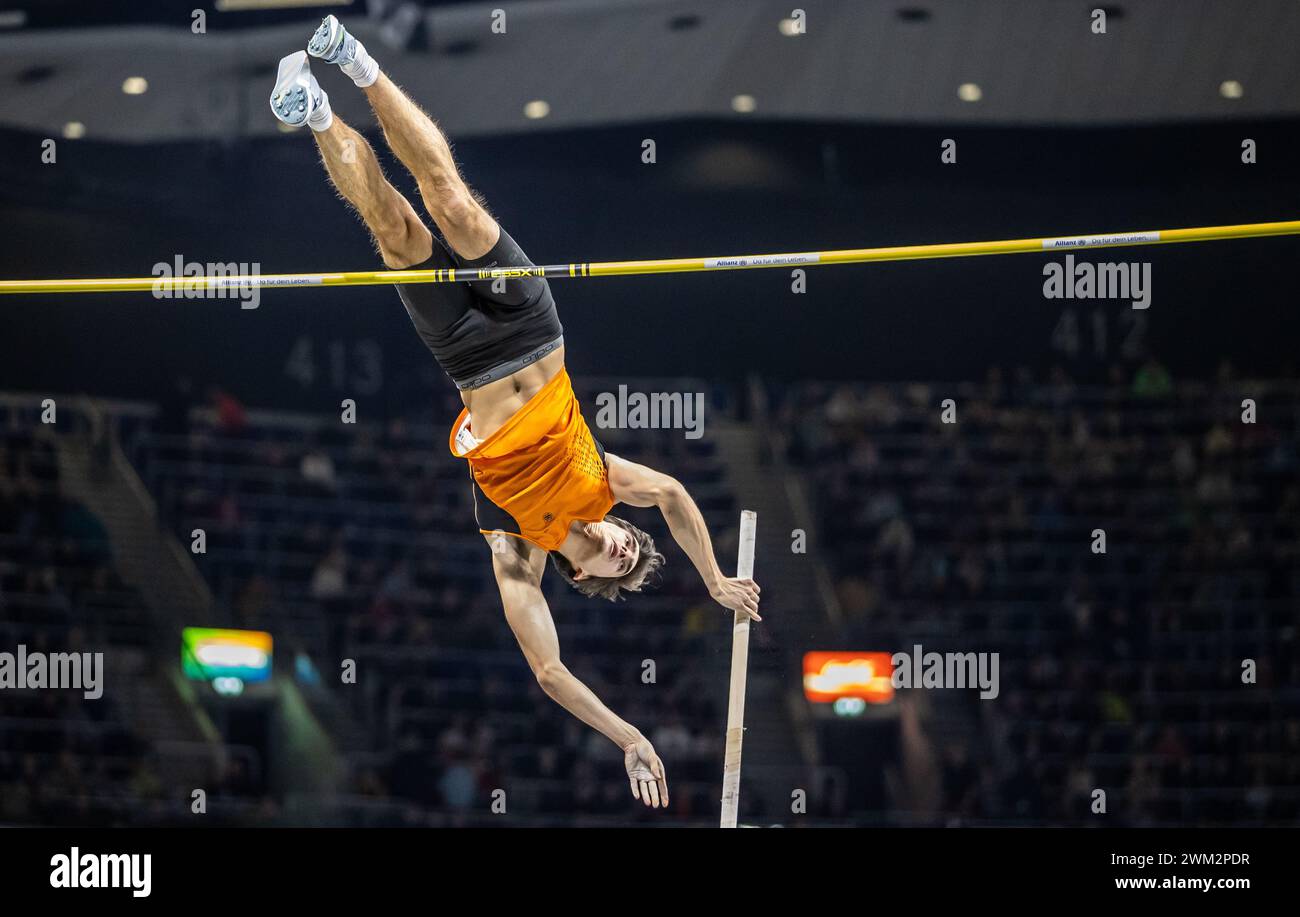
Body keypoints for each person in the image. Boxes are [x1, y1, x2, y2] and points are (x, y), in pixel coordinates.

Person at [269, 16, 761, 809]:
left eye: (616, 562)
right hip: (532, 328)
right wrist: (713, 579)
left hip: (466, 359)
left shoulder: (516, 548)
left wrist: (629, 735)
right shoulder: (605, 487)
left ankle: (315, 113)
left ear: (580, 573)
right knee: (454, 207)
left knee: (394, 231)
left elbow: (549, 671)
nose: (619, 544)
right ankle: (355, 62)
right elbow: (672, 495)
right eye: (631, 545)